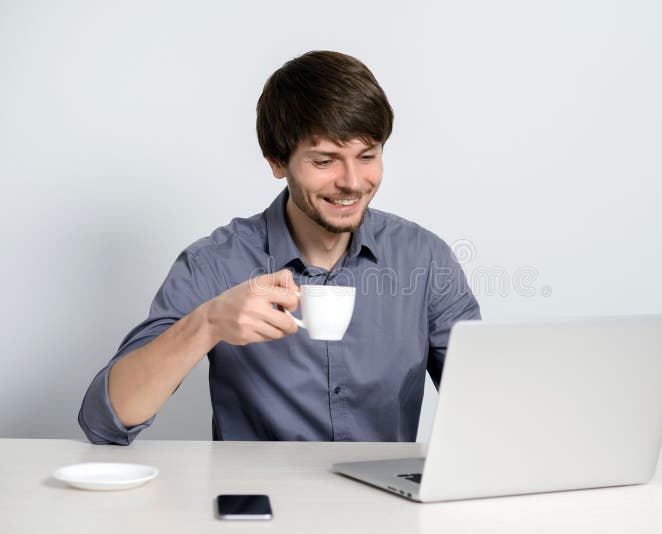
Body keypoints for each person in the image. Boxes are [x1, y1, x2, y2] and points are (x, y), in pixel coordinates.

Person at [78, 50, 481, 445]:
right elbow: (105, 421)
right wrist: (208, 323)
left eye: (367, 155)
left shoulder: (424, 259)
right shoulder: (215, 264)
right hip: (260, 504)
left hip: (387, 505)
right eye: (324, 161)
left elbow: (485, 407)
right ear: (276, 162)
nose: (353, 181)